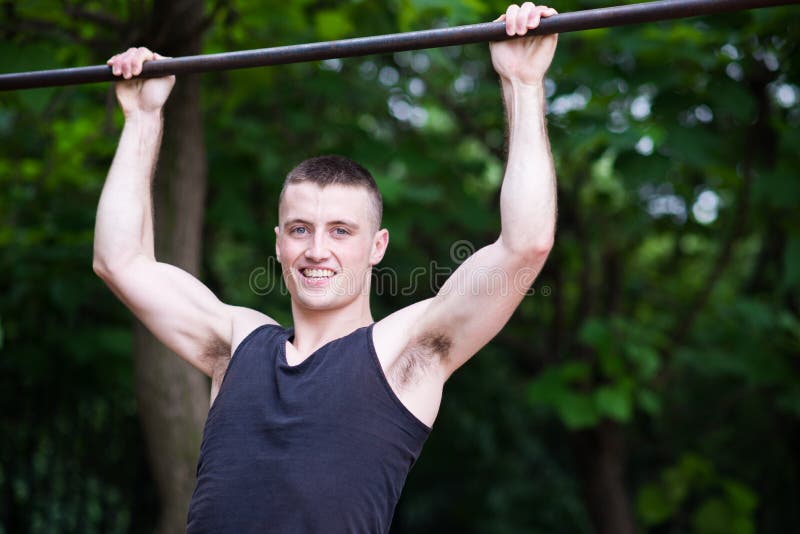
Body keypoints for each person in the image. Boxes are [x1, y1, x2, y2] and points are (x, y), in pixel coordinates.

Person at [94, 2, 558, 532]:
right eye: (299, 229)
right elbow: (120, 260)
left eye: (341, 231)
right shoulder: (238, 342)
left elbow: (525, 245)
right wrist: (143, 117)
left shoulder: (404, 352)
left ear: (377, 246)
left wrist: (522, 84)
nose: (317, 249)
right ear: (278, 243)